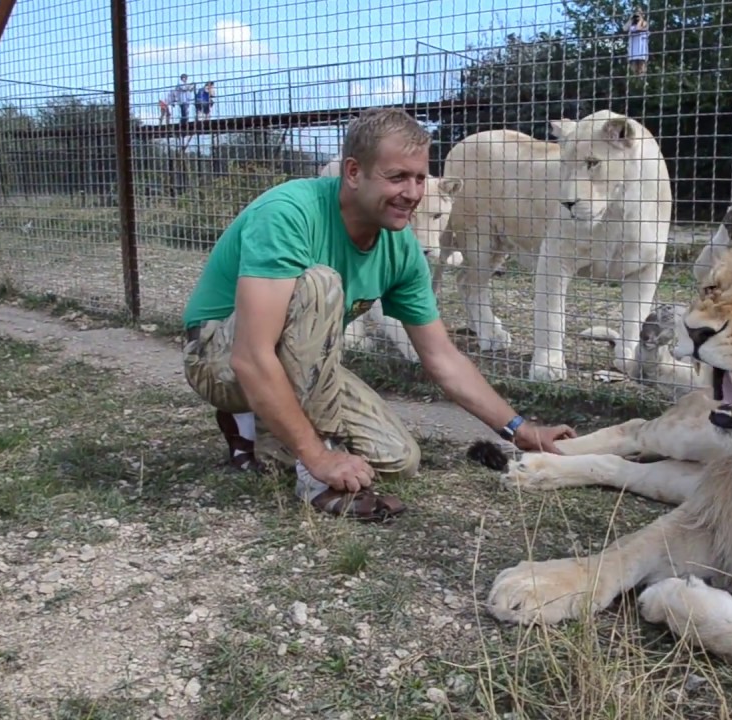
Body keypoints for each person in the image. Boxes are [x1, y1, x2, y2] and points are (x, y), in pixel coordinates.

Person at [179, 107, 577, 522]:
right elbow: (251, 355)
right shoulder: (289, 214)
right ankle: (305, 470)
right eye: (397, 177)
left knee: (398, 460)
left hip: (296, 364)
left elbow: (442, 358)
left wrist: (520, 429)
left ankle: (265, 432)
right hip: (217, 356)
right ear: (353, 172)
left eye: (420, 177)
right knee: (320, 284)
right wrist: (318, 457)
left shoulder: (400, 246)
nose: (413, 192)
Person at [625, 8, 650, 75]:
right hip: (633, 51)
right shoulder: (632, 25)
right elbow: (625, 28)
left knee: (641, 67)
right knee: (634, 68)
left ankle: (642, 76)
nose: (637, 15)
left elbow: (638, 28)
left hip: (641, 50)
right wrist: (631, 19)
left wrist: (641, 19)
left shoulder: (644, 23)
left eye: (639, 13)